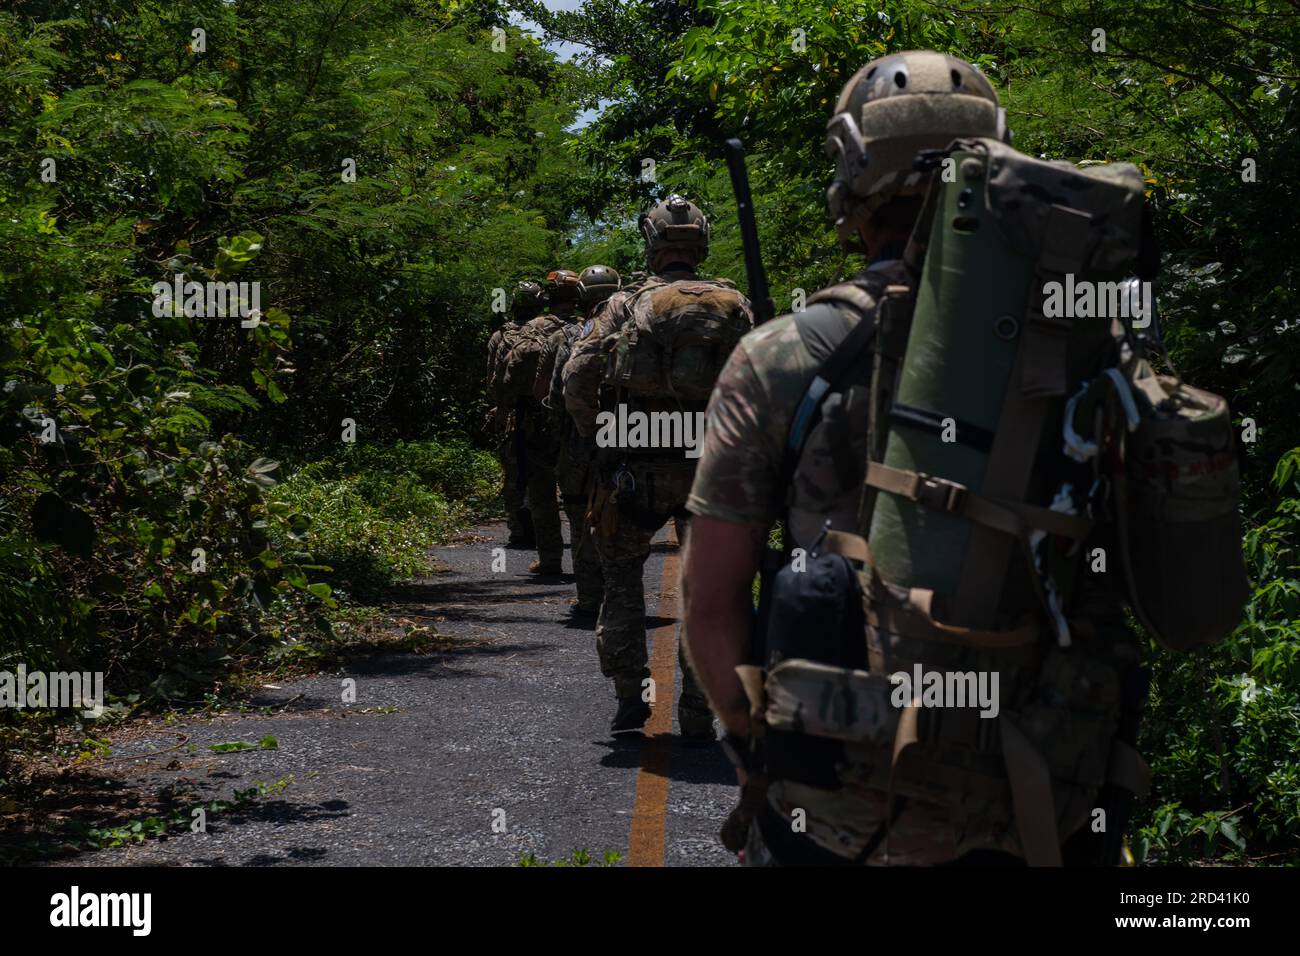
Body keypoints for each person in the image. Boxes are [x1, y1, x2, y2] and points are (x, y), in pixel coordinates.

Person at [682, 50, 1153, 866]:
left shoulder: (783, 354)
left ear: (852, 169)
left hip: (840, 811)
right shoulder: (1092, 347)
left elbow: (712, 594)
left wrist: (758, 749)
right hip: (1052, 795)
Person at [565, 196, 753, 738]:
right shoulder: (735, 304)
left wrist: (600, 434)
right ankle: (698, 707)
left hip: (632, 465)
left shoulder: (622, 305)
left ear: (652, 244)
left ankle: (630, 696)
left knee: (622, 581)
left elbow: (576, 381)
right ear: (702, 243)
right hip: (712, 469)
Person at [535, 265, 621, 618]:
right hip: (630, 439)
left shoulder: (572, 336)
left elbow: (556, 396)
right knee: (622, 521)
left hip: (579, 443)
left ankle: (589, 599)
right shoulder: (638, 330)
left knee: (580, 519)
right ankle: (621, 595)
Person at [510, 269, 581, 574]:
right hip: (579, 421)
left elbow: (511, 371)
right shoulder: (588, 329)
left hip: (537, 421)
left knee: (542, 492)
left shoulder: (532, 329)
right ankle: (588, 565)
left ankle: (551, 559)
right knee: (581, 495)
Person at [487, 279, 545, 546]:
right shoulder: (548, 330)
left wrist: (501, 407)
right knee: (545, 470)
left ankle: (518, 528)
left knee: (513, 470)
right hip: (546, 411)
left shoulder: (501, 336)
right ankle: (544, 526)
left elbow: (493, 380)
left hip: (512, 411)